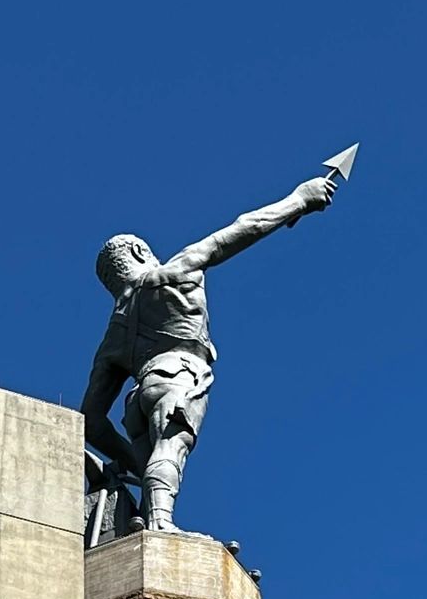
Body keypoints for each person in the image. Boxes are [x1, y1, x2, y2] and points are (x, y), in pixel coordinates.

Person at [80, 165, 342, 533]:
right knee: (172, 448)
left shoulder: (113, 337)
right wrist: (298, 200)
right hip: (180, 374)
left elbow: (89, 419)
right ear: (140, 251)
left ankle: (145, 514)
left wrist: (129, 461)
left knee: (156, 459)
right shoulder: (173, 273)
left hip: (138, 396)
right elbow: (242, 229)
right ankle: (160, 521)